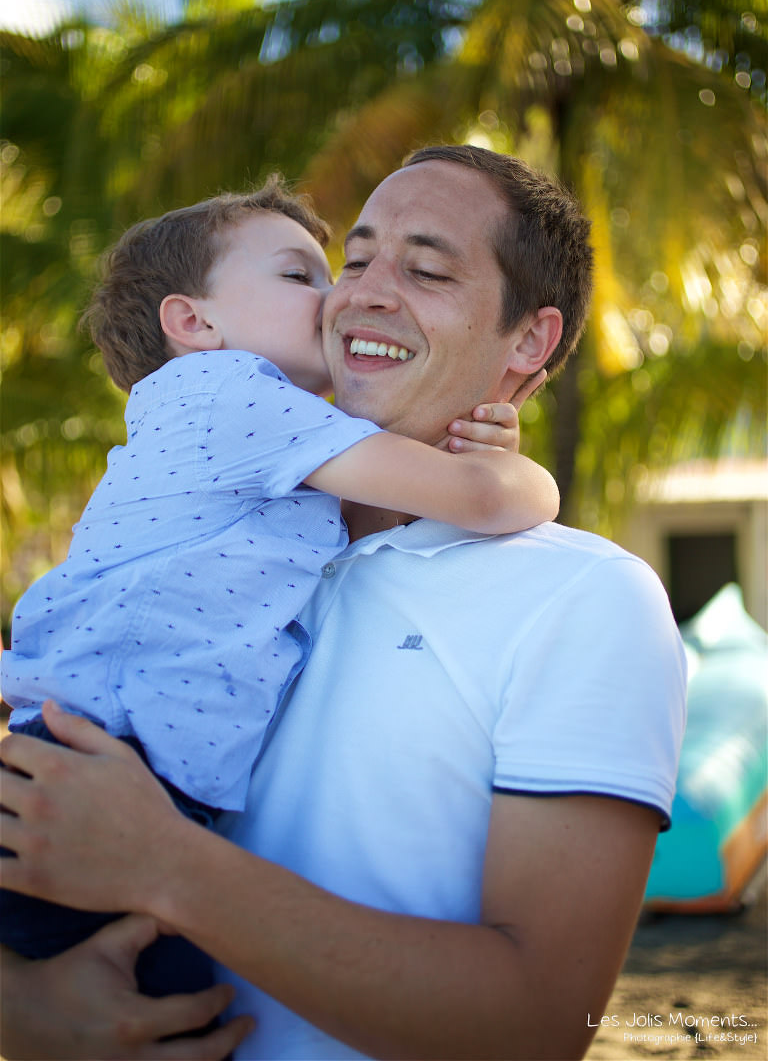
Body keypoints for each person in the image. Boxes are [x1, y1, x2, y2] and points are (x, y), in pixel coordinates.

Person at [0, 145, 687, 1061]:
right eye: (352, 261)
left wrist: (167, 866)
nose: (356, 292)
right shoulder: (231, 543)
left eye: (429, 269)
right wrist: (26, 1010)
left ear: (529, 342)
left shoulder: (585, 597)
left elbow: (543, 1024)